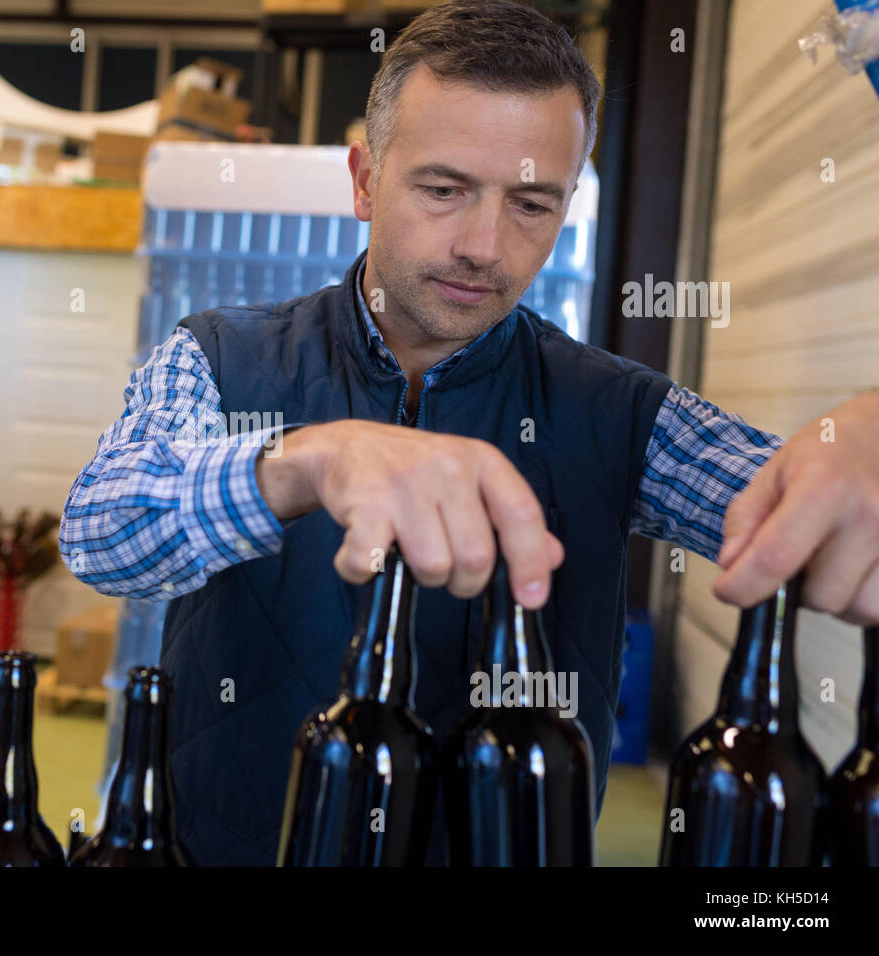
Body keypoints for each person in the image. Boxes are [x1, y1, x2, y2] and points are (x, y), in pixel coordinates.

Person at [60, 0, 879, 865]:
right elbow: (100, 534)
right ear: (365, 179)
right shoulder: (221, 357)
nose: (485, 246)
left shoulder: (623, 413)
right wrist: (304, 461)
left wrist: (860, 443)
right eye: (444, 191)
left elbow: (805, 511)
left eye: (531, 203)